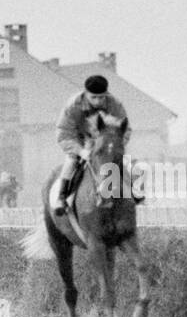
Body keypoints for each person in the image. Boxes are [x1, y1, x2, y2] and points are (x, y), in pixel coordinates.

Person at [50, 74, 128, 216]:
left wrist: (116, 146)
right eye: (94, 97)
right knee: (72, 160)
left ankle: (133, 194)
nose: (98, 101)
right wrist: (81, 151)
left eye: (101, 97)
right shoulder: (73, 105)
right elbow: (64, 134)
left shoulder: (115, 104)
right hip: (79, 140)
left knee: (117, 161)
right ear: (86, 94)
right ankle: (61, 197)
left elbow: (124, 129)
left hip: (104, 141)